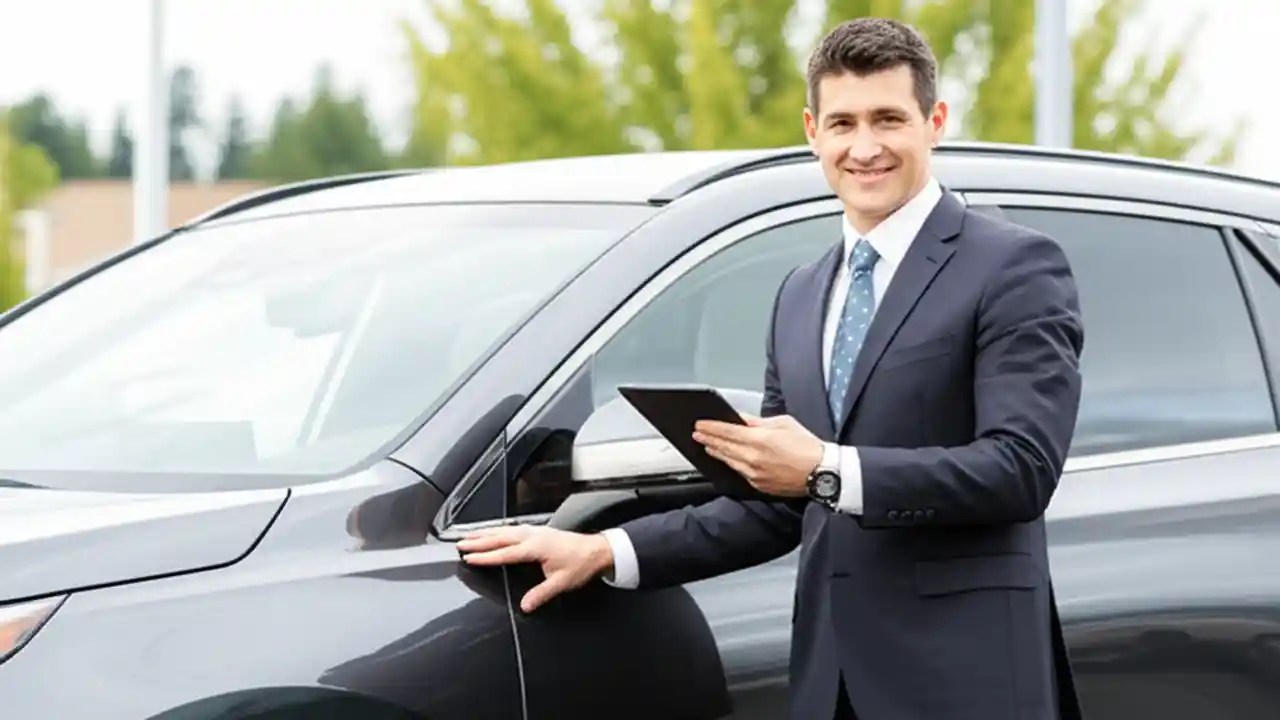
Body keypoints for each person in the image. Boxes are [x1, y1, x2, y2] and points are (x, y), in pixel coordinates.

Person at [458, 16, 1085, 720]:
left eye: (889, 119)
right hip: (830, 680)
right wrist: (603, 550)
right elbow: (776, 507)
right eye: (843, 123)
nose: (865, 147)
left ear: (934, 122)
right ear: (813, 131)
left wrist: (824, 467)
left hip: (966, 682)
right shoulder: (802, 292)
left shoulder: (1013, 265)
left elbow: (1020, 469)